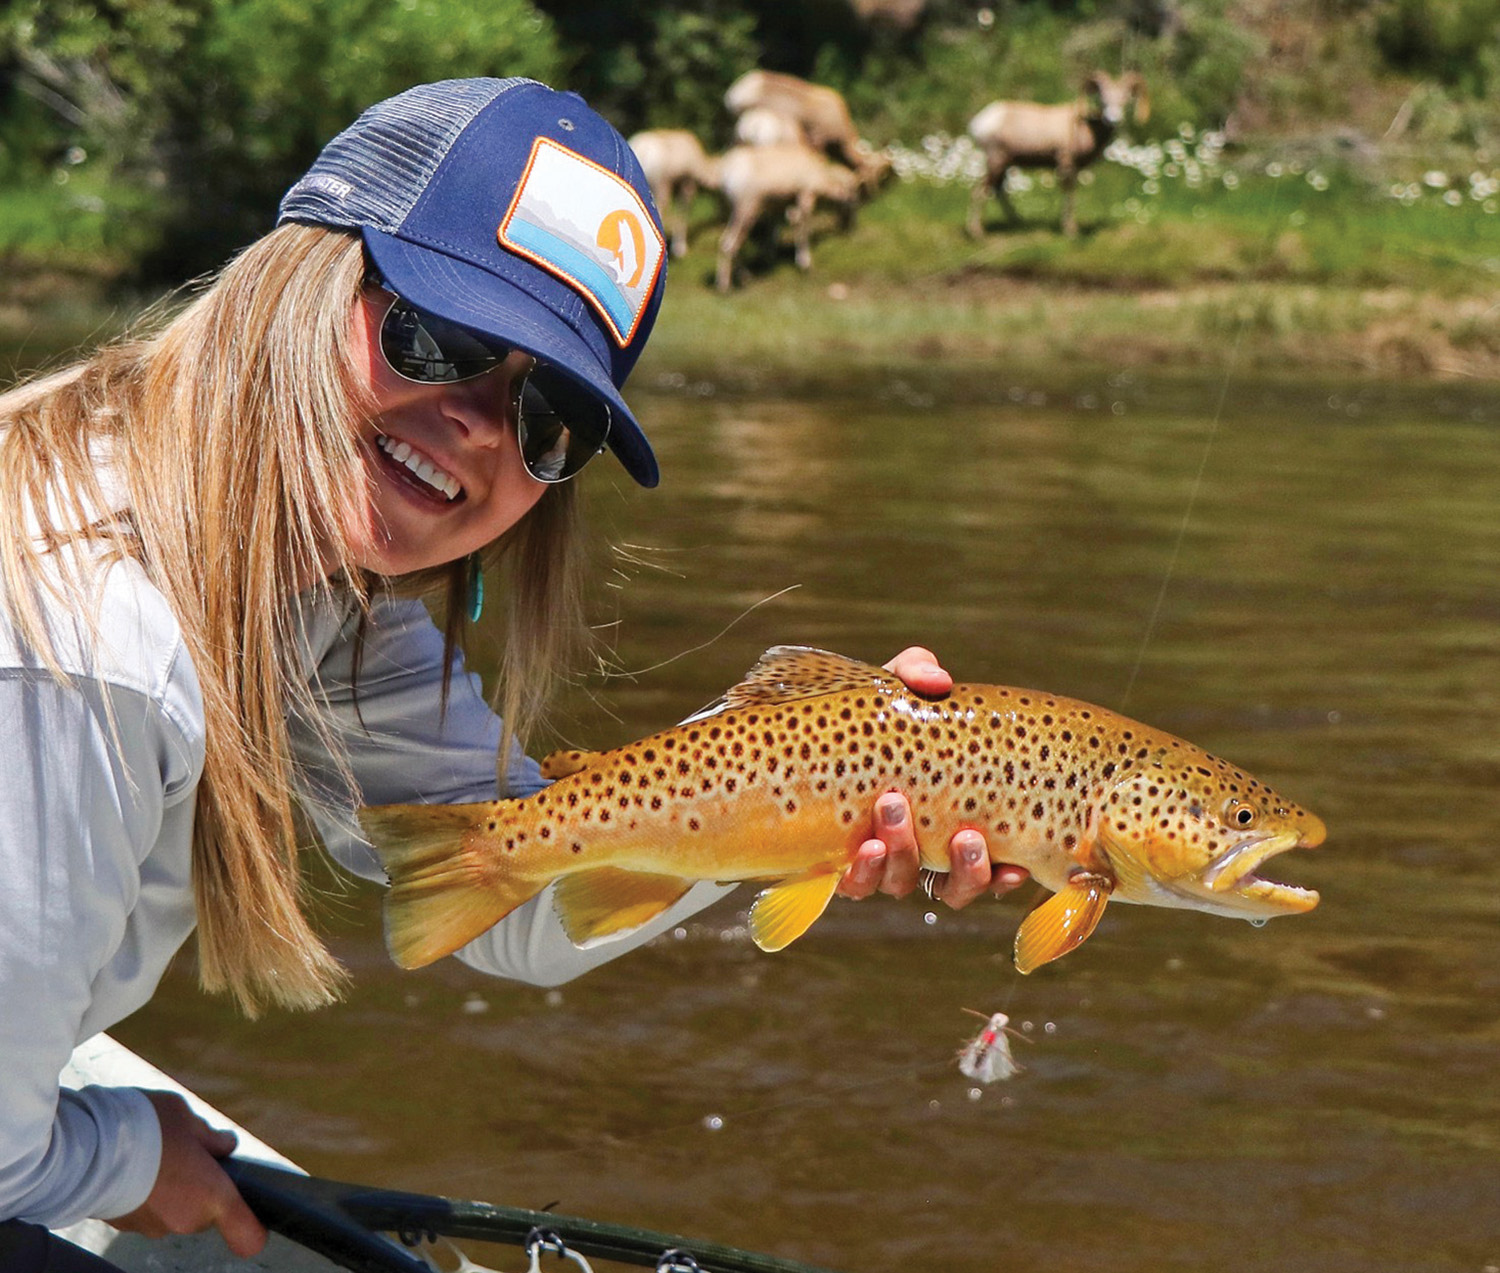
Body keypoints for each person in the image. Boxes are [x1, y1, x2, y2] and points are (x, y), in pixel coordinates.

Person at [0, 77, 1029, 1268]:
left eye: (548, 419)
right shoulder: (87, 650)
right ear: (297, 281)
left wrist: (805, 775)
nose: (481, 421)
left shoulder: (314, 603)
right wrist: (130, 1156)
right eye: (439, 336)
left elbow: (515, 892)